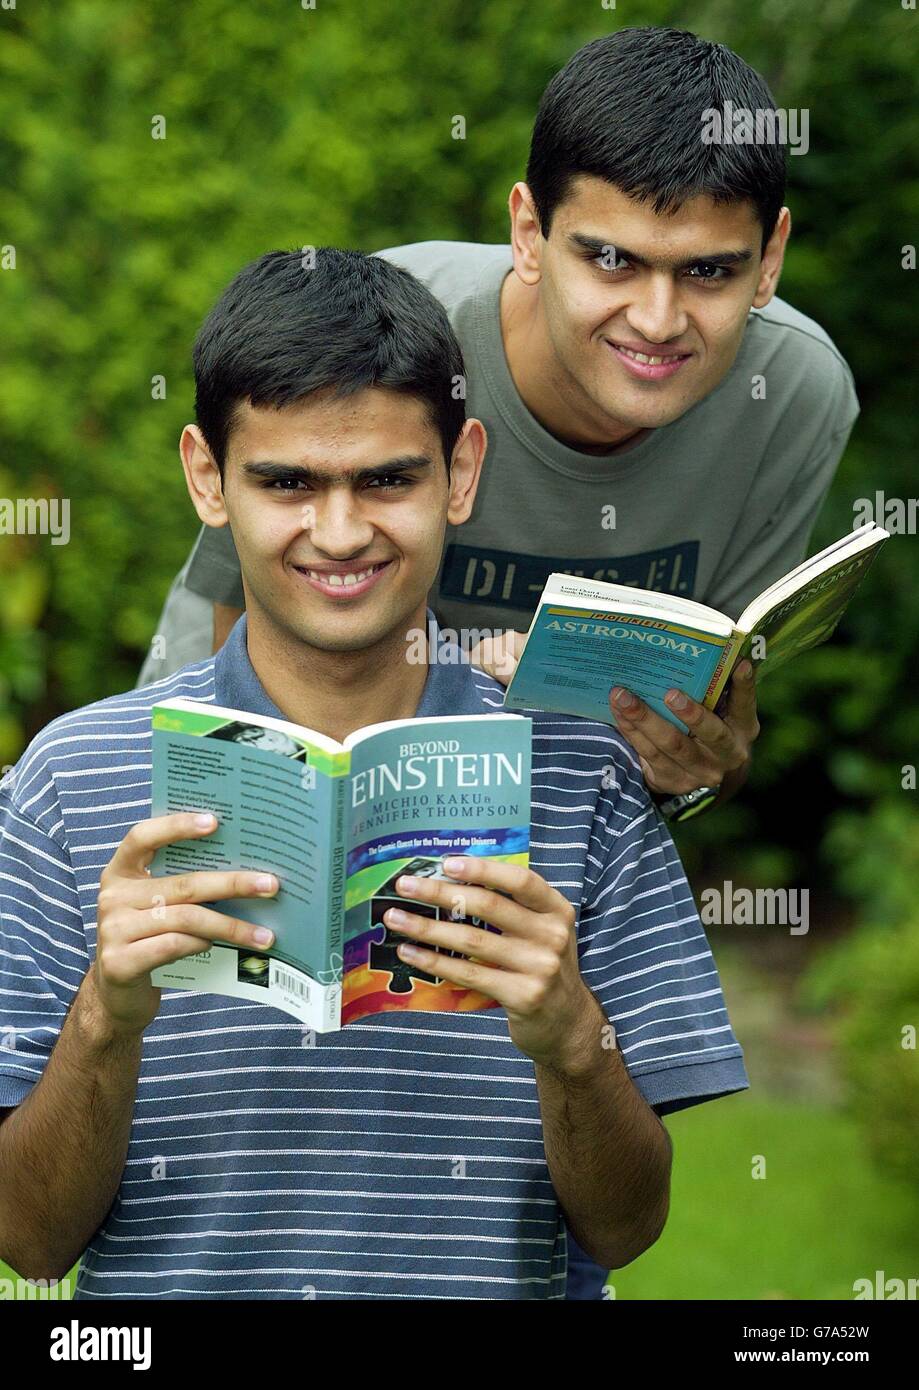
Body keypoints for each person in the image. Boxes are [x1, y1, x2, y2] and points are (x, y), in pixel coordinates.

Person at [136, 28, 858, 1294]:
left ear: (771, 259)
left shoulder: (794, 400)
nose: (655, 317)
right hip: (284, 833)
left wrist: (703, 767)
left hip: (524, 899)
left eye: (708, 274)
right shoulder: (401, 333)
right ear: (528, 229)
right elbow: (207, 629)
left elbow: (672, 752)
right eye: (610, 259)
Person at [0, 248, 749, 1300]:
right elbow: (29, 1242)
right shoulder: (69, 783)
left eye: (388, 479)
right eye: (288, 482)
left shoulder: (584, 773)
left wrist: (573, 1039)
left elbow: (628, 1229)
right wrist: (103, 1020)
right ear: (207, 477)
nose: (341, 532)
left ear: (463, 472)